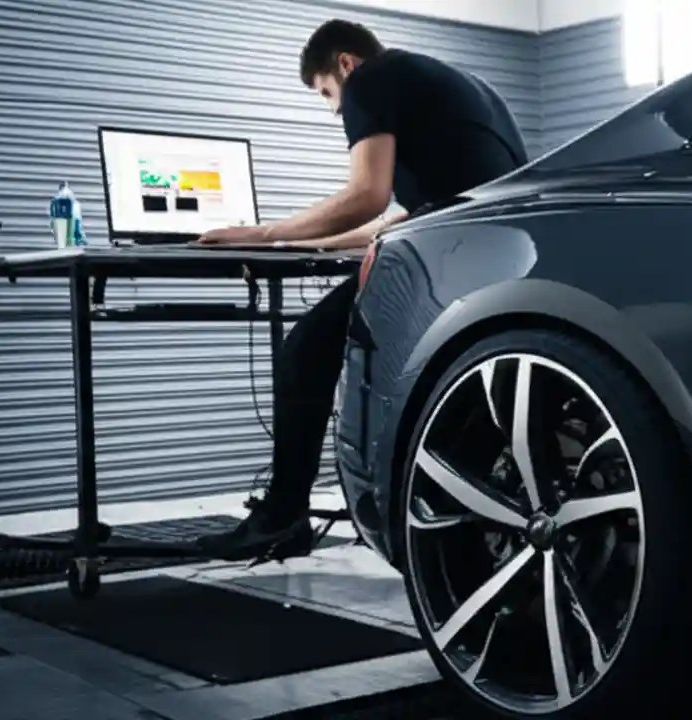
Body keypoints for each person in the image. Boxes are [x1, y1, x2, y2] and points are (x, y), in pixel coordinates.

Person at [192, 19, 529, 561]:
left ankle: (282, 519)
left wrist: (260, 232)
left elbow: (366, 195)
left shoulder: (372, 80)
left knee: (304, 352)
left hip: (453, 255)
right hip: (494, 257)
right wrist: (309, 246)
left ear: (345, 64)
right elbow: (398, 217)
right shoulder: (457, 83)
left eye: (327, 93)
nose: (332, 110)